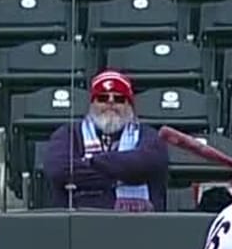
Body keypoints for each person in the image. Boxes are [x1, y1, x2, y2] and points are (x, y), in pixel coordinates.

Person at [42, 69, 169, 212]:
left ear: (130, 106)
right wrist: (120, 177)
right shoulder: (68, 133)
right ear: (92, 104)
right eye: (102, 98)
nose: (110, 103)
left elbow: (147, 163)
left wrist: (91, 162)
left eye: (119, 99)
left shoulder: (148, 135)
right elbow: (59, 169)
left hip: (141, 226)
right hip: (80, 223)